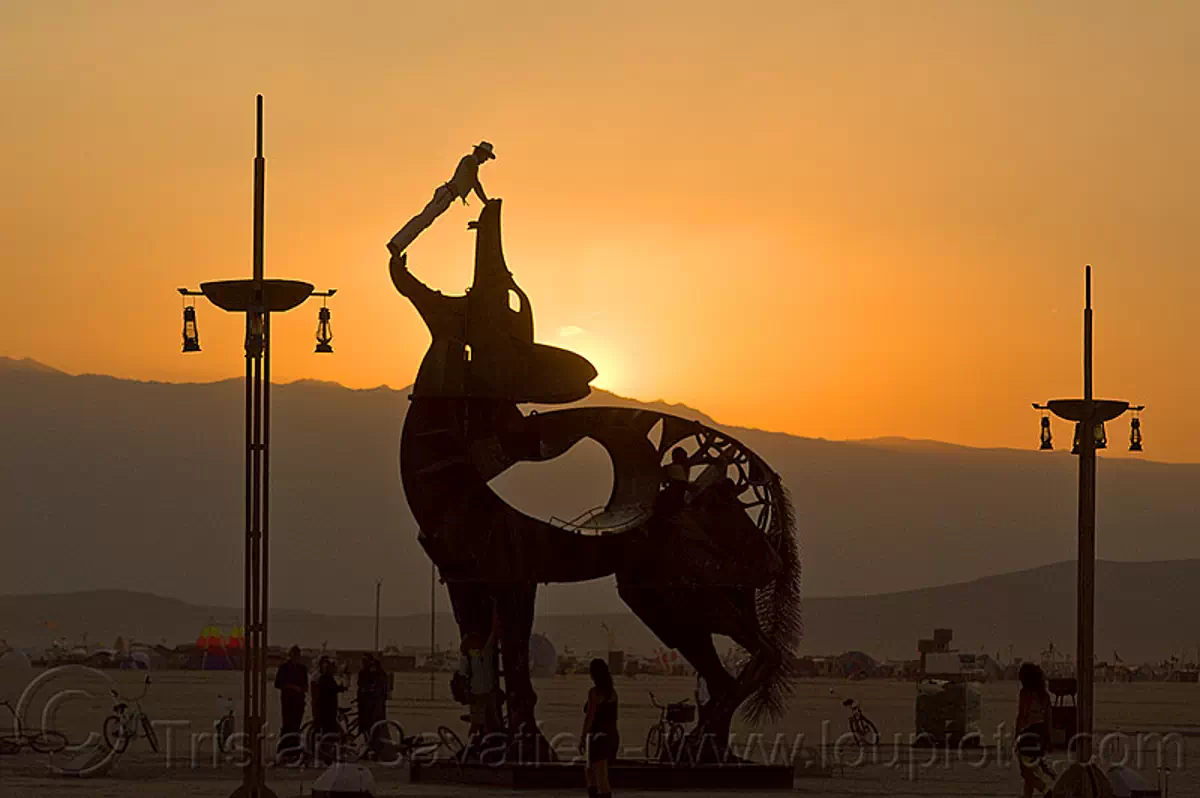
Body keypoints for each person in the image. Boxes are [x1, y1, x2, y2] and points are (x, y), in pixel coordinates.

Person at [388, 141, 496, 257]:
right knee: (424, 219)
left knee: (425, 220)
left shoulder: (471, 162)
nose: (485, 160)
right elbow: (475, 183)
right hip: (446, 194)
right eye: (485, 156)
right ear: (480, 152)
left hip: (448, 196)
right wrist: (486, 201)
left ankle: (399, 245)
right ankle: (396, 243)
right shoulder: (471, 161)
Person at [458, 611, 502, 745]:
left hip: (481, 692)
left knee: (482, 721)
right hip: (480, 693)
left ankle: (479, 742)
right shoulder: (477, 655)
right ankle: (478, 742)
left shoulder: (475, 655)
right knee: (484, 721)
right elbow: (492, 638)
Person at [580, 658, 619, 798]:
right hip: (611, 735)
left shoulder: (594, 692)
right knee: (592, 772)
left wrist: (582, 737)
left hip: (597, 737)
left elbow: (590, 717)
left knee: (597, 776)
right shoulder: (612, 693)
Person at [1015, 662, 1055, 797]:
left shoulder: (1025, 693)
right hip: (1040, 733)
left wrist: (1016, 735)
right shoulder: (1044, 695)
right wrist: (1048, 739)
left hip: (1028, 734)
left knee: (1025, 772)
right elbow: (1049, 719)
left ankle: (1047, 792)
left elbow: (1021, 716)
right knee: (1031, 770)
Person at [273, 645, 308, 763]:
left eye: (297, 655)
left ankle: (294, 751)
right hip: (288, 702)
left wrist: (301, 690)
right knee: (287, 726)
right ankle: (282, 750)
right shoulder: (284, 668)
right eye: (294, 654)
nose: (296, 657)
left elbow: (305, 686)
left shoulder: (302, 669)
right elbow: (277, 684)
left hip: (299, 701)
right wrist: (291, 687)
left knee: (296, 727)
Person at [313, 657, 346, 764]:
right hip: (326, 713)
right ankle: (327, 755)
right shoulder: (324, 679)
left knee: (330, 734)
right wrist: (340, 688)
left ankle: (328, 755)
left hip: (328, 712)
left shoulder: (325, 678)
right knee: (331, 734)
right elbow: (331, 690)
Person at [356, 654, 389, 758]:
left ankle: (373, 748)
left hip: (371, 706)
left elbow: (372, 690)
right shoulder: (373, 674)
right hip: (369, 705)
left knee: (372, 728)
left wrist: (367, 691)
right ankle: (372, 748)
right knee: (372, 728)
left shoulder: (375, 675)